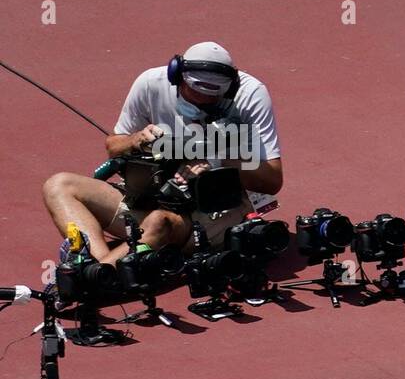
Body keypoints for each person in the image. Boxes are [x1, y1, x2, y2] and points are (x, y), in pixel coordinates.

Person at [41, 42, 283, 266]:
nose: (200, 105)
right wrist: (135, 140)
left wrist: (217, 160)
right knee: (59, 185)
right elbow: (113, 147)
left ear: (230, 90)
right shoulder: (150, 83)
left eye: (210, 101)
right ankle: (100, 266)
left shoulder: (250, 96)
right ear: (175, 75)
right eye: (193, 95)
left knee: (158, 222)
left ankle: (100, 276)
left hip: (210, 211)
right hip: (150, 196)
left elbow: (272, 180)